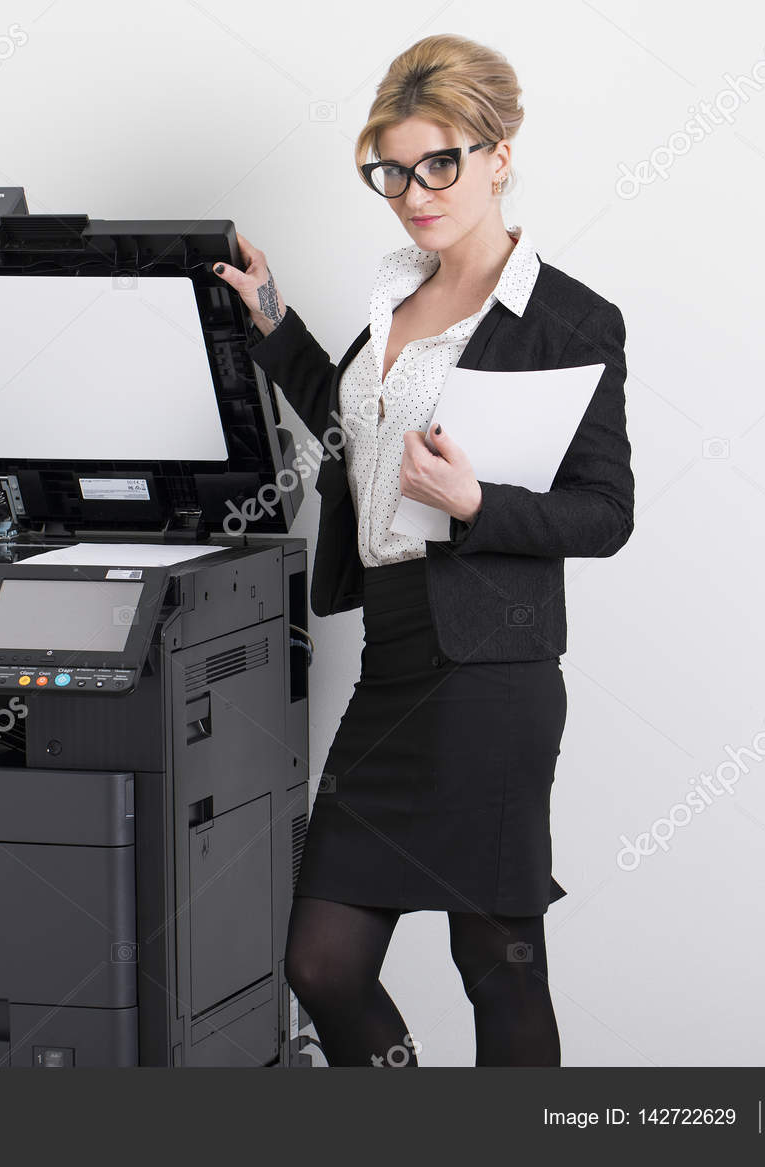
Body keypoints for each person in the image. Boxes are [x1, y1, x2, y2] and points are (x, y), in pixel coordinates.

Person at [211, 33, 634, 1067]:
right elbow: (352, 429)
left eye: (437, 162)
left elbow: (603, 513)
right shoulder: (395, 303)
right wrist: (273, 324)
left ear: (497, 154)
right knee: (323, 964)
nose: (413, 193)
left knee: (495, 962)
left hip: (492, 674)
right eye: (390, 172)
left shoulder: (565, 320)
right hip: (396, 664)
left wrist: (479, 501)